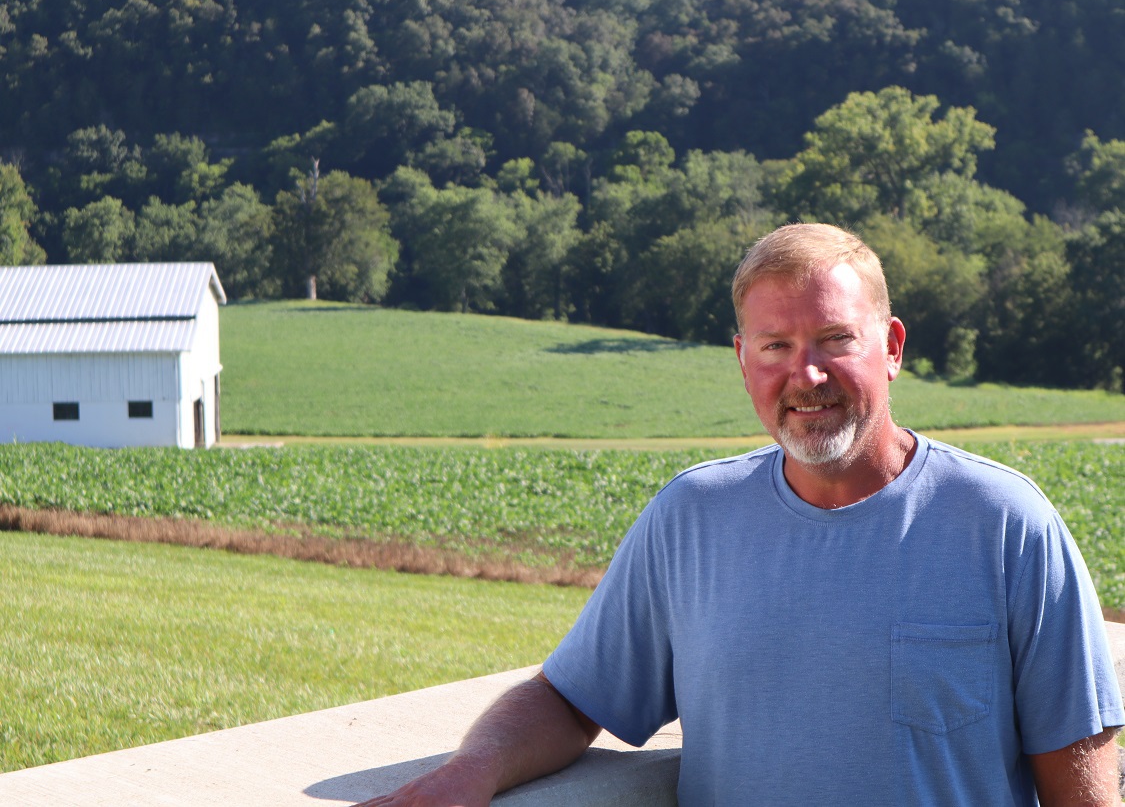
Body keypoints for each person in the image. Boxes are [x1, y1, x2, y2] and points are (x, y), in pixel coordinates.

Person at [359, 222, 1124, 806]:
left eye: (834, 340)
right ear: (740, 359)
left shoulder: (1002, 524)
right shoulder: (691, 518)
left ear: (890, 347)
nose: (806, 374)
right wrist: (469, 774)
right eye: (775, 346)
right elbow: (568, 697)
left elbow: (1081, 779)